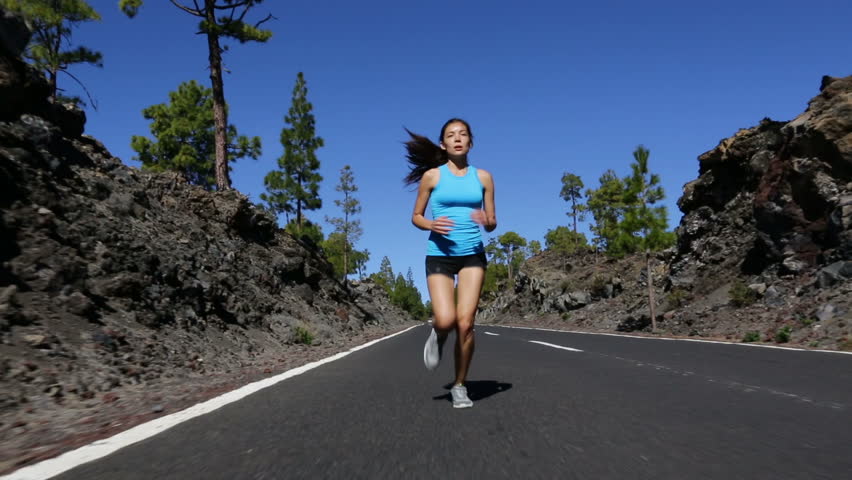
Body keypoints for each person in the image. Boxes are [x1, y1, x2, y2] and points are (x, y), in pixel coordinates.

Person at [404, 118, 497, 409]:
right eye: (451, 135)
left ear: (470, 142)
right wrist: (431, 223)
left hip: (472, 254)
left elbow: (493, 222)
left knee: (466, 324)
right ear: (444, 144)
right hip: (440, 254)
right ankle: (438, 334)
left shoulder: (483, 178)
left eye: (463, 134)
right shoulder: (432, 176)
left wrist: (487, 220)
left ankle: (459, 385)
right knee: (446, 320)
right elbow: (416, 216)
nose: (458, 139)